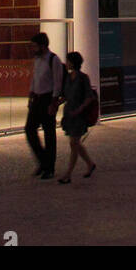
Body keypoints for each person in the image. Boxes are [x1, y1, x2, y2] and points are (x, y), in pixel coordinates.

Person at [25, 32, 64, 179]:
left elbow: (57, 82)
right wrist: (31, 95)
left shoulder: (53, 60)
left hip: (48, 99)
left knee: (49, 134)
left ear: (42, 46)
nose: (32, 49)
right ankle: (43, 160)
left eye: (34, 46)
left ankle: (49, 167)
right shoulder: (37, 60)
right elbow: (35, 79)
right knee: (29, 129)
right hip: (37, 98)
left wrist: (54, 103)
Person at [57, 51, 97, 184]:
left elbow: (89, 97)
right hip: (69, 114)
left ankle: (68, 174)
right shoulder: (67, 78)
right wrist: (55, 104)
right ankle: (90, 164)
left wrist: (80, 109)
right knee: (75, 143)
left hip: (79, 115)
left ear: (73, 62)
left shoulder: (83, 78)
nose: (66, 63)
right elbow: (65, 95)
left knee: (73, 143)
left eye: (68, 61)